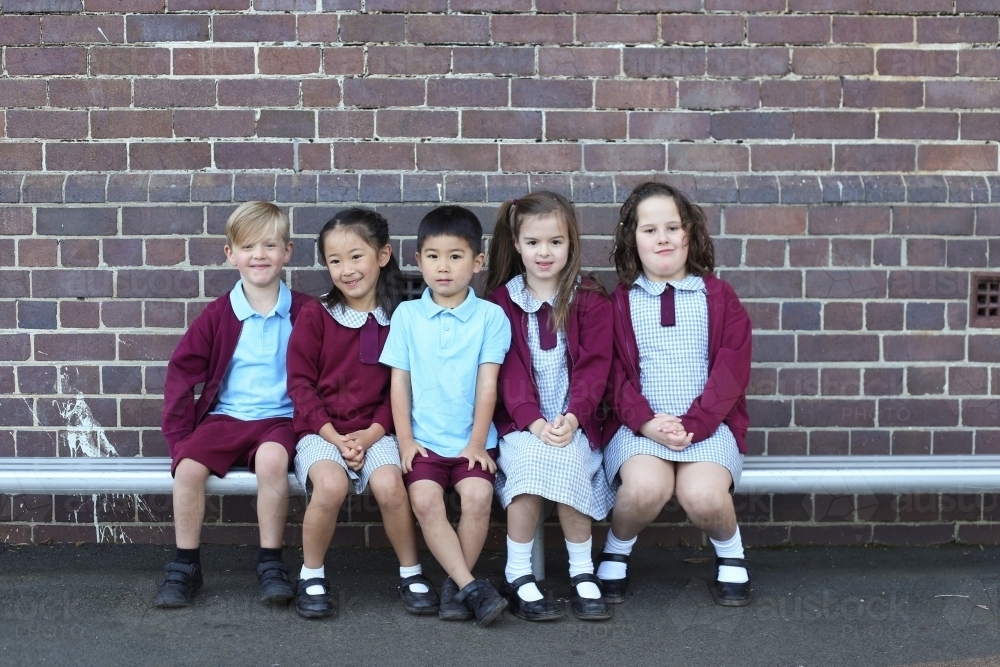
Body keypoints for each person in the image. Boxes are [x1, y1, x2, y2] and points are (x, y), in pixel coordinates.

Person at [598, 182, 754, 607]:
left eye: (672, 227)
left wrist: (696, 424)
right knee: (643, 490)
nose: (662, 238)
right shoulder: (621, 302)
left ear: (690, 234)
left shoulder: (718, 297)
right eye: (649, 230)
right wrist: (647, 422)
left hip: (708, 424)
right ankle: (617, 547)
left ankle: (731, 553)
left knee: (702, 496)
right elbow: (611, 373)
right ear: (633, 239)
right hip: (639, 427)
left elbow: (731, 370)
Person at [155, 201, 310, 608]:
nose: (258, 255)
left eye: (270, 245)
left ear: (287, 252)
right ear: (230, 254)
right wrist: (180, 439)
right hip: (226, 417)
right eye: (247, 247)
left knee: (273, 462)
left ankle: (271, 562)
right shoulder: (218, 315)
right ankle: (186, 564)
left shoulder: (306, 312)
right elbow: (181, 373)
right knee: (187, 469)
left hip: (281, 419)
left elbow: (325, 374)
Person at [286, 208, 438, 619]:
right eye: (335, 261)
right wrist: (334, 436)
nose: (346, 270)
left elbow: (401, 387)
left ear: (383, 255)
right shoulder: (316, 314)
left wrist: (371, 435)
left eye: (356, 256)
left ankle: (411, 572)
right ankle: (311, 574)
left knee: (390, 486)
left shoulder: (401, 317)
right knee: (331, 486)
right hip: (321, 430)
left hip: (378, 430)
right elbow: (300, 383)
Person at [484, 192, 615, 622]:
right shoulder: (501, 303)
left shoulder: (590, 298)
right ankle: (517, 573)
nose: (545, 252)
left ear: (571, 244)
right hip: (522, 423)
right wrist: (534, 422)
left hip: (576, 420)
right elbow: (508, 370)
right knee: (528, 469)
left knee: (572, 460)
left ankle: (582, 570)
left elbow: (596, 367)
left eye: (556, 242)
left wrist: (573, 417)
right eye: (534, 242)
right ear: (517, 244)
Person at [379, 206, 512, 626]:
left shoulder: (491, 317)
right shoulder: (407, 316)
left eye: (456, 256)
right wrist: (404, 440)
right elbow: (399, 383)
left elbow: (487, 384)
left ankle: (456, 588)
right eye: (433, 256)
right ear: (418, 261)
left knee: (477, 498)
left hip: (473, 438)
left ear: (477, 263)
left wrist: (476, 442)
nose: (443, 266)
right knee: (424, 499)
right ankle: (470, 588)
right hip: (424, 439)